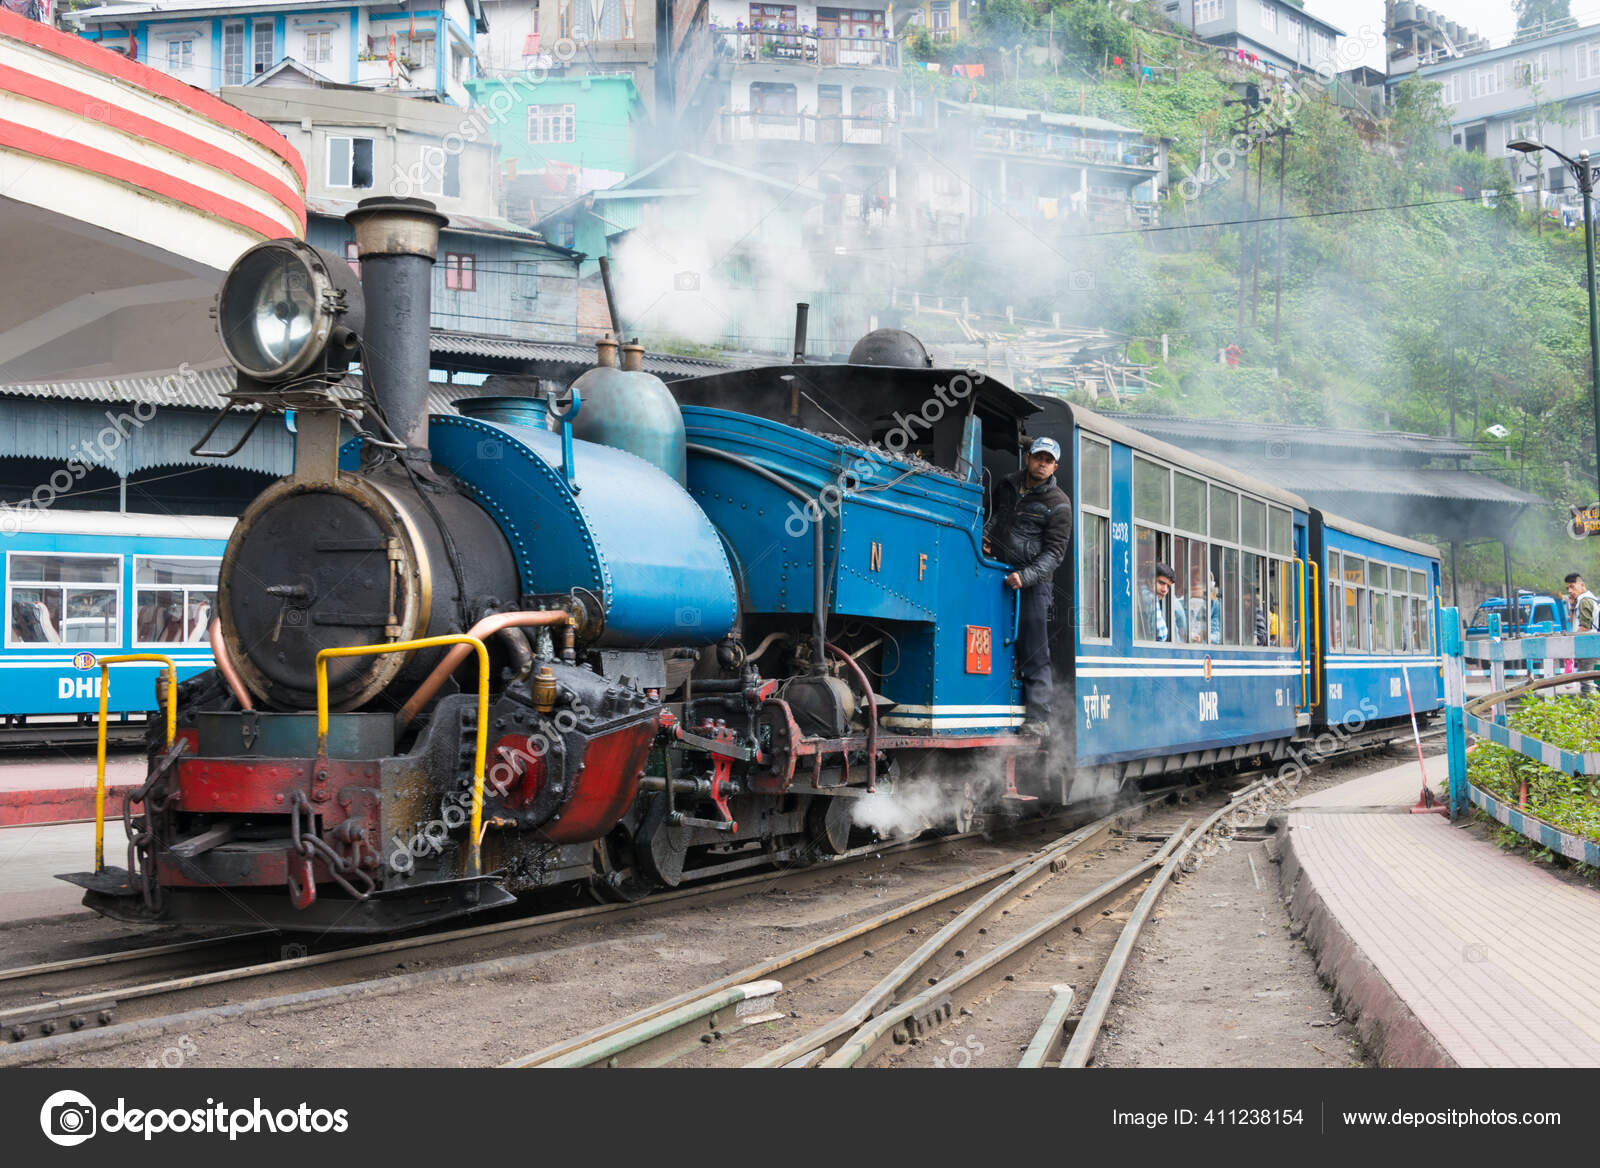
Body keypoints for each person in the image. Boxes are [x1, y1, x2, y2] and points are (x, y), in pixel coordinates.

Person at [985, 436, 1072, 736]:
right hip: (995, 572)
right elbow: (993, 518)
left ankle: (1038, 719)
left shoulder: (1059, 504)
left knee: (1034, 648)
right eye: (1038, 457)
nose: (1042, 463)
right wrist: (984, 540)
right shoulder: (1007, 485)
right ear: (1028, 457)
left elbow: (1055, 553)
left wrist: (1027, 576)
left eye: (1048, 460)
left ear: (1055, 466)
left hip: (1033, 584)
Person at [1564, 572, 1599, 695]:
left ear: (1582, 585)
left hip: (1588, 647)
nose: (1569, 590)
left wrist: (1573, 643)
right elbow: (1575, 622)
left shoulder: (1585, 600)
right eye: (1567, 588)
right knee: (1590, 682)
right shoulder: (1583, 600)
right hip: (1591, 646)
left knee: (1587, 683)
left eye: (1572, 587)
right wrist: (1572, 606)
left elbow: (1584, 627)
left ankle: (1591, 710)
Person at [1139, 562, 1184, 642]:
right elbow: (1161, 634)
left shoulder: (1140, 592)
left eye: (1168, 586)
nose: (1165, 590)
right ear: (1149, 580)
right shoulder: (1150, 597)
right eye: (1161, 583)